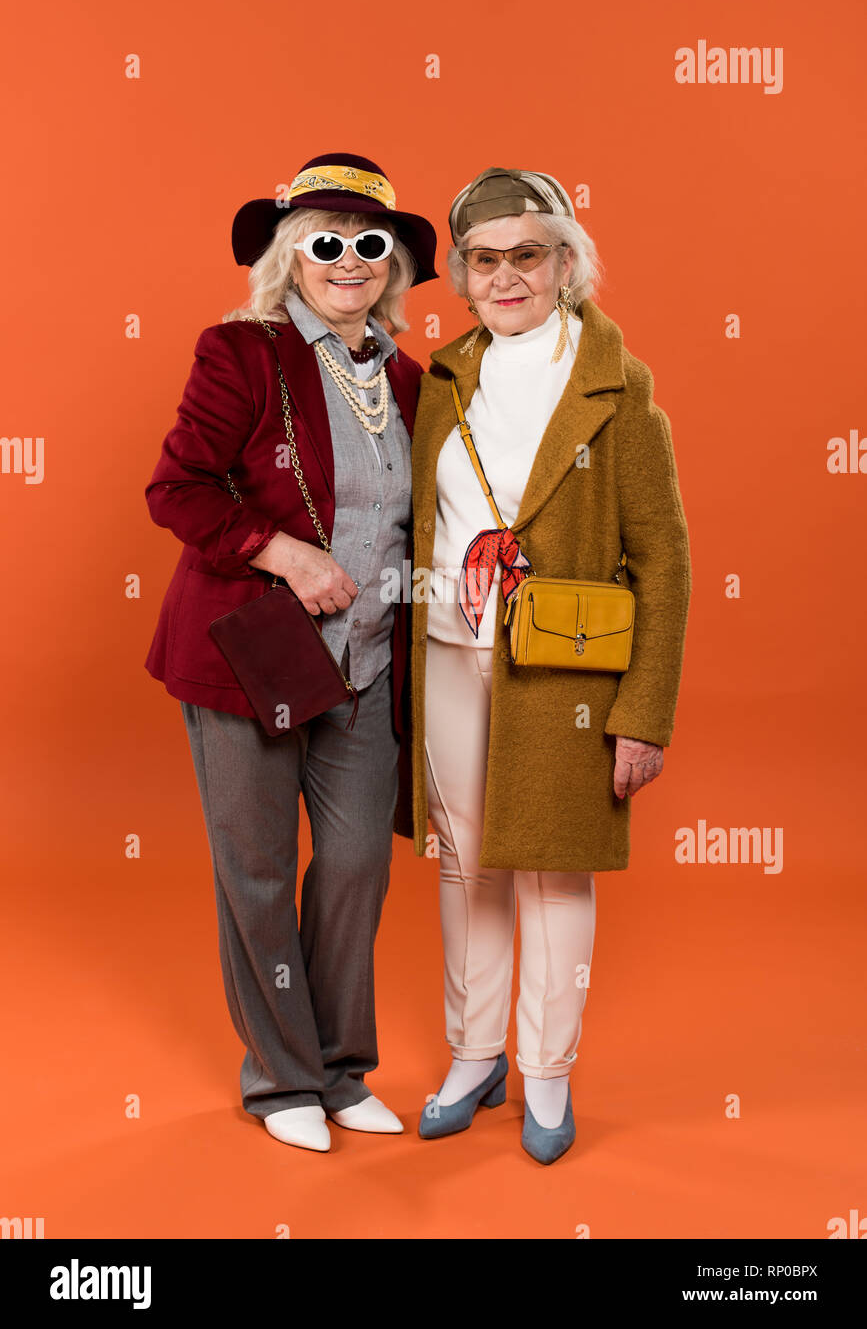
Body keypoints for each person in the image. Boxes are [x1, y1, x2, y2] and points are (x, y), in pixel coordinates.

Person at [144, 153, 437, 1152]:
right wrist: (280, 550)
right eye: (325, 242)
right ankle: (282, 1080)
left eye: (369, 243)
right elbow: (178, 488)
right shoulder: (242, 351)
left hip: (363, 669)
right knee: (258, 873)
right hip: (250, 658)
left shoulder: (408, 378)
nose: (347, 259)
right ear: (291, 256)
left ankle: (342, 1066)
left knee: (355, 863)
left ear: (392, 265)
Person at [409, 166, 691, 1163]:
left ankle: (548, 1074)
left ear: (566, 260)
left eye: (526, 253)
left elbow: (663, 557)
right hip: (448, 651)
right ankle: (475, 1053)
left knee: (555, 873)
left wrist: (642, 711)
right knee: (466, 862)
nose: (505, 276)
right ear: (461, 273)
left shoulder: (616, 382)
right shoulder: (443, 379)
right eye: (483, 259)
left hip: (565, 675)